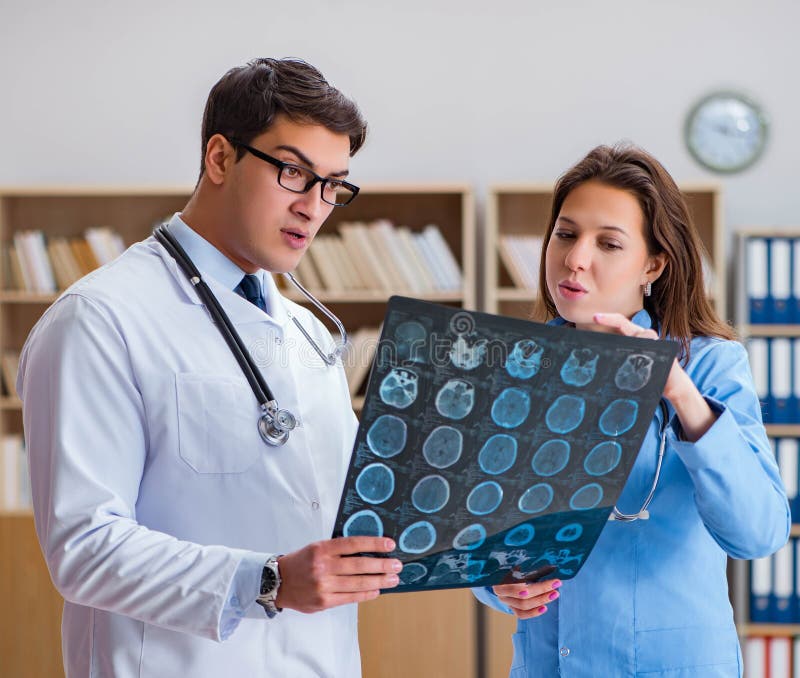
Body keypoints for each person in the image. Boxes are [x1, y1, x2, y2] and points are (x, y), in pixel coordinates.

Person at [17, 57, 402, 678]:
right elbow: (83, 547)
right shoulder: (100, 319)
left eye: (334, 184)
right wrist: (268, 581)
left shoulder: (305, 329)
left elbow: (337, 517)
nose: (315, 207)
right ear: (220, 158)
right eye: (294, 172)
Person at [473, 143, 790, 677]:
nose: (575, 258)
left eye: (609, 243)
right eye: (566, 234)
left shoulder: (710, 366)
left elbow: (757, 534)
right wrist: (496, 584)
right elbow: (477, 536)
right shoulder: (513, 370)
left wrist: (680, 394)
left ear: (654, 263)